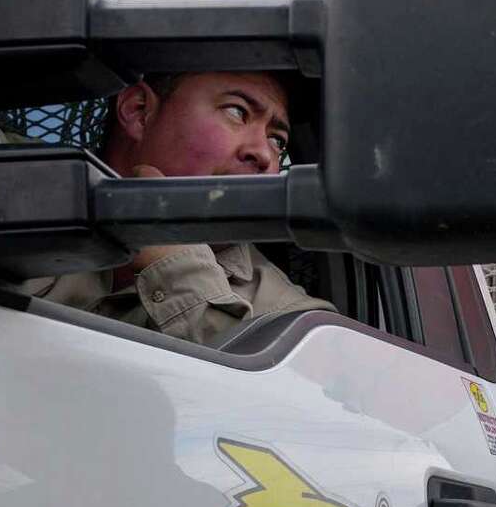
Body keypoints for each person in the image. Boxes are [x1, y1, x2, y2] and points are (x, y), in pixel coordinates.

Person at [22, 71, 332, 345]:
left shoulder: (294, 327)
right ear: (139, 110)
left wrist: (174, 261)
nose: (265, 154)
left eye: (277, 140)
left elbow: (272, 404)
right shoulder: (15, 193)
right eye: (237, 111)